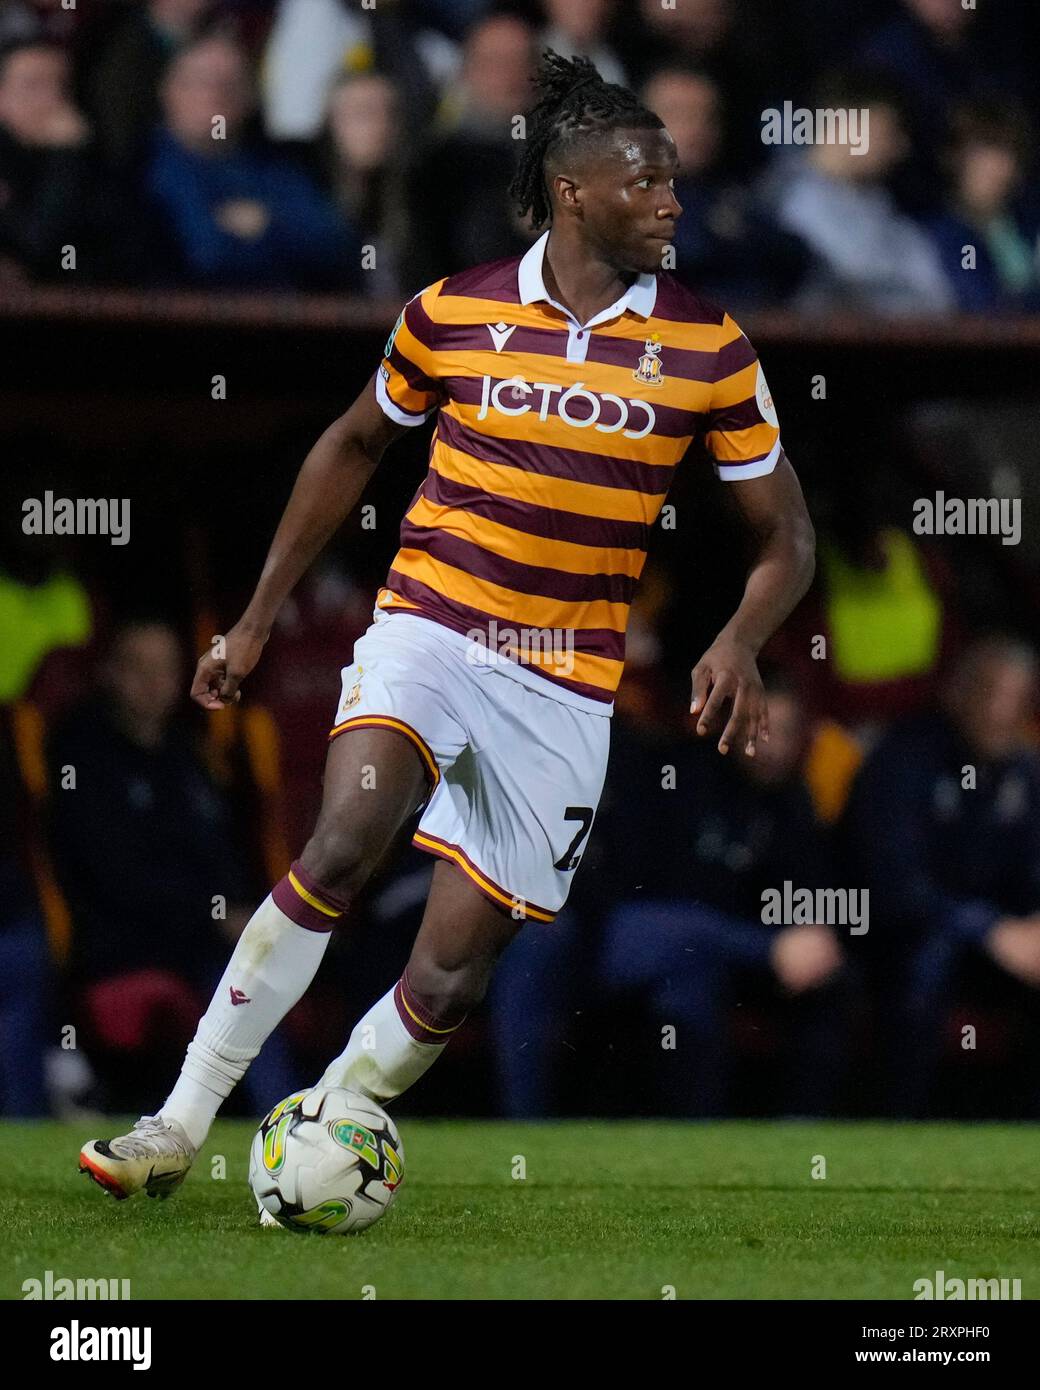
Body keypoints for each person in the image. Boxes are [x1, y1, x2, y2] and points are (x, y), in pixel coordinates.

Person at [79, 50, 815, 1207]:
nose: (673, 201)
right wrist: (258, 619)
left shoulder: (711, 349)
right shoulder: (452, 310)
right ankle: (173, 1122)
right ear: (572, 191)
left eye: (675, 181)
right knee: (340, 839)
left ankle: (333, 1108)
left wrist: (738, 636)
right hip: (430, 622)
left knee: (453, 971)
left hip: (567, 683)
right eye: (648, 181)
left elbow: (786, 537)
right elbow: (350, 445)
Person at [51, 621, 296, 1113]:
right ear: (109, 673)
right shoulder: (80, 756)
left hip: (203, 939)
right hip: (123, 941)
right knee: (239, 982)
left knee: (272, 960)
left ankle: (291, 1114)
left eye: (165, 670)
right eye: (138, 669)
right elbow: (110, 878)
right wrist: (214, 918)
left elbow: (220, 855)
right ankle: (268, 1117)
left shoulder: (190, 756)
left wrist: (242, 914)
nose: (153, 683)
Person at [843, 636, 1040, 1116]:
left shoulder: (1026, 773)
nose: (1000, 714)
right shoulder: (904, 759)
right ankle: (897, 1127)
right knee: (927, 961)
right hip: (898, 941)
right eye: (990, 694)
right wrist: (986, 927)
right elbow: (893, 888)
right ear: (958, 692)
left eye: (1017, 700)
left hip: (997, 950)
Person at [145, 32, 359, 290]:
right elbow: (207, 256)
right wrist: (276, 235)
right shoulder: (142, 168)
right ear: (168, 89)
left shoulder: (276, 166)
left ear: (250, 96)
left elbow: (333, 243)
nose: (214, 96)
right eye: (201, 81)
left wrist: (268, 225)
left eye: (229, 84)